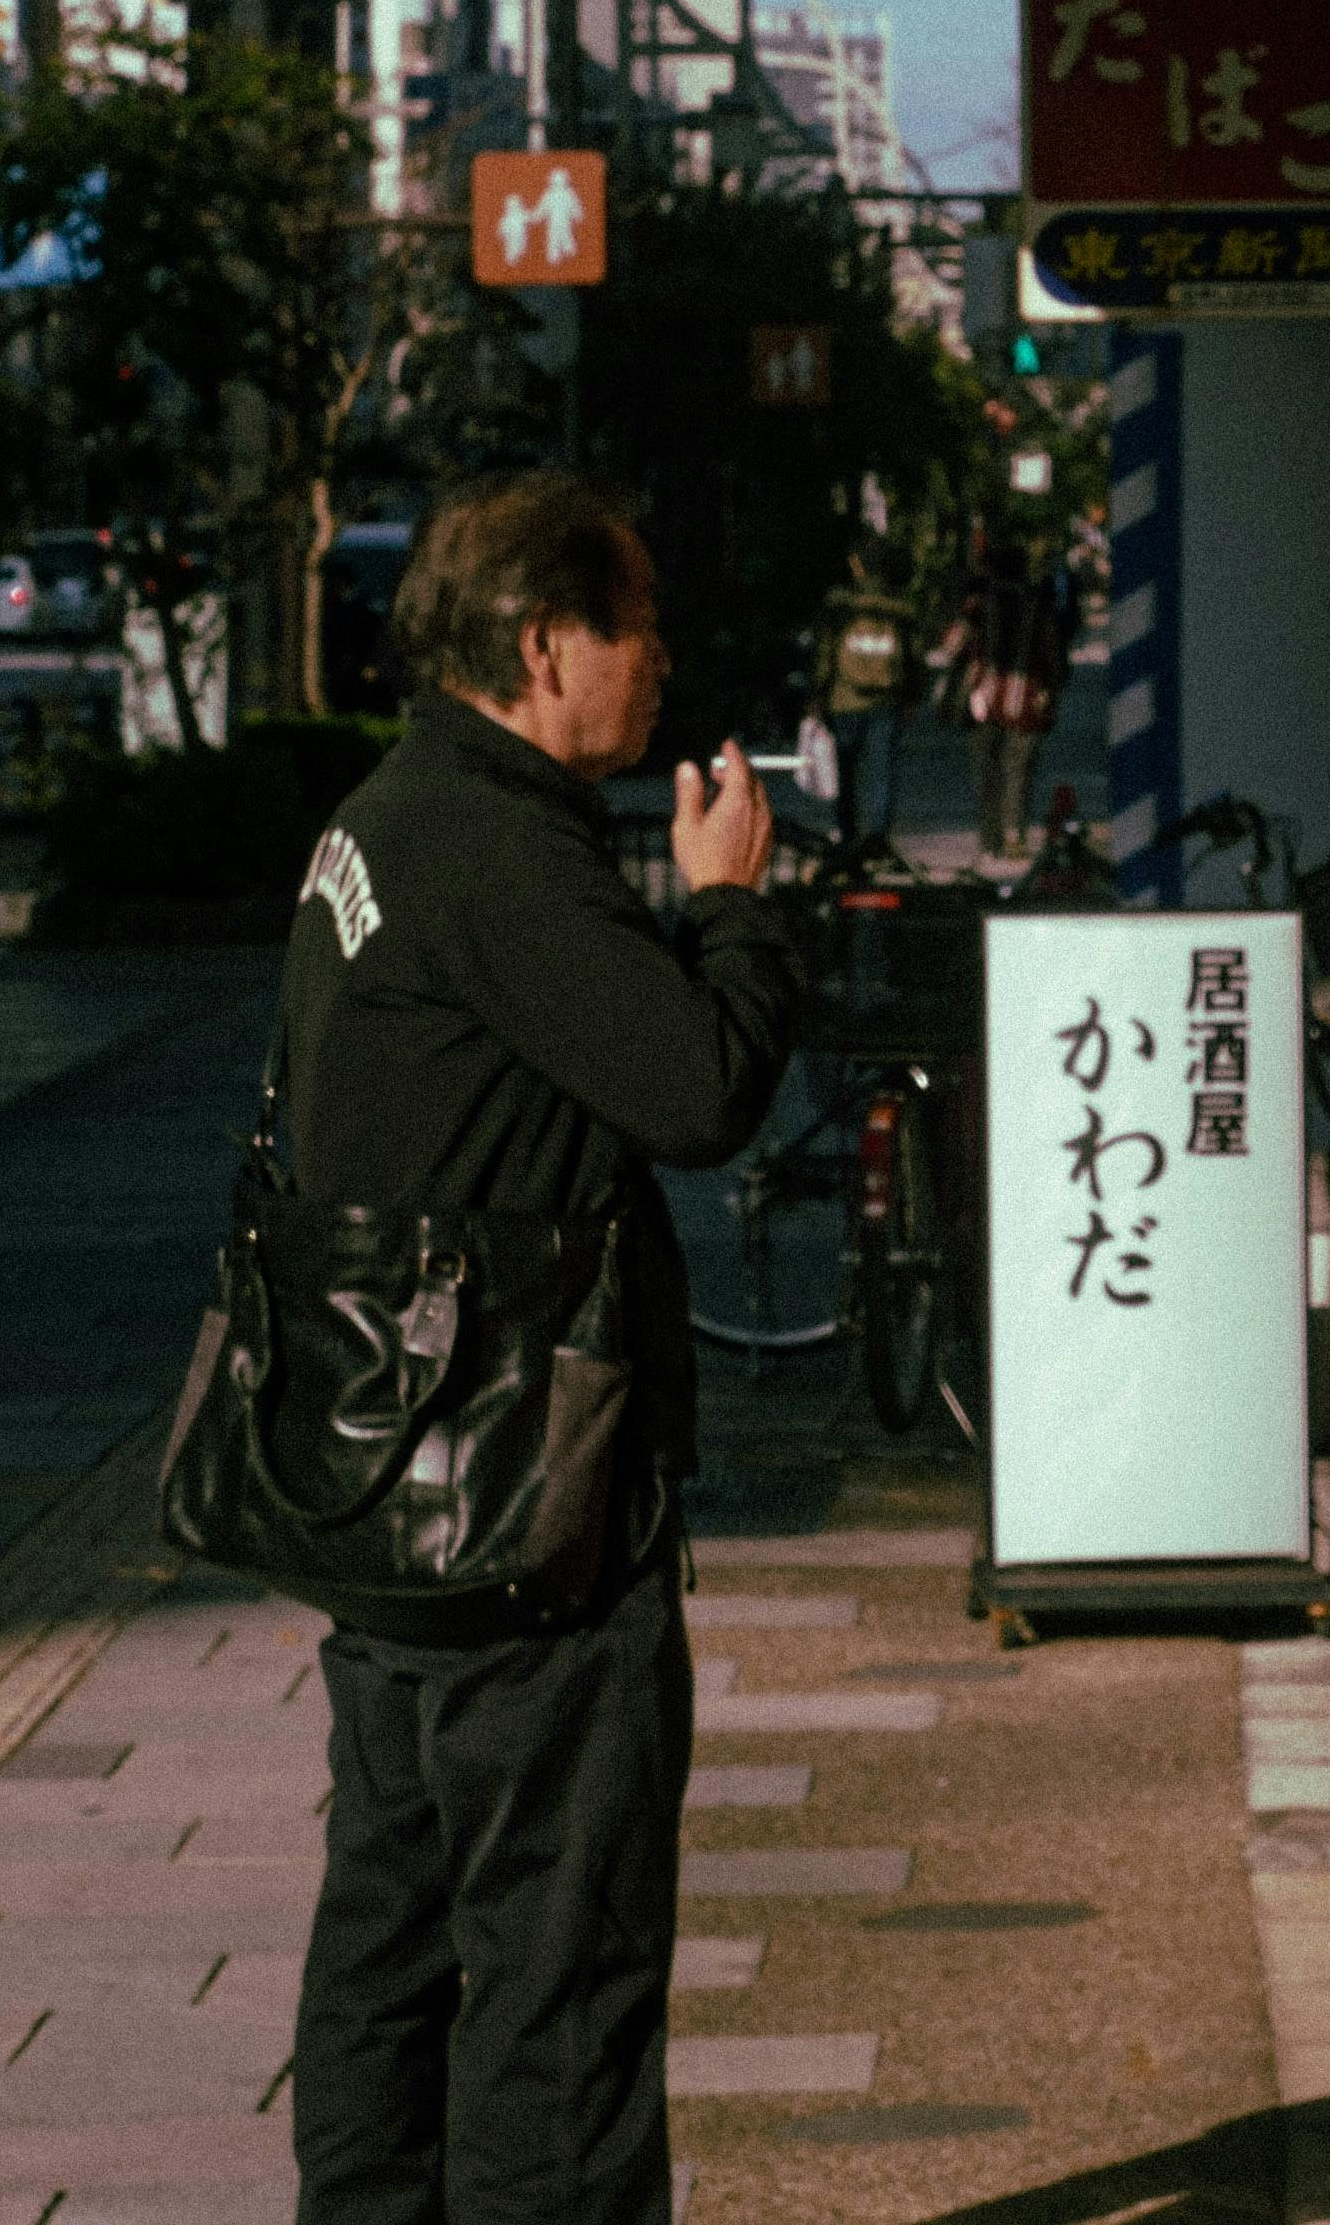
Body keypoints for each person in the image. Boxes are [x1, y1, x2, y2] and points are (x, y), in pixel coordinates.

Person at [273, 470, 800, 2225]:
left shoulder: (387, 812)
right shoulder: (499, 846)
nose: (658, 654)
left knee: (392, 1945)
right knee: (556, 1979)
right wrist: (726, 898)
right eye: (633, 619)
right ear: (541, 640)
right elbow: (696, 1084)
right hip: (522, 1503)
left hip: (384, 1481)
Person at [956, 530, 1071, 866]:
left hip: (983, 698)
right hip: (1027, 699)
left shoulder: (980, 602)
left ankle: (988, 839)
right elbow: (1053, 652)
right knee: (1018, 770)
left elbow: (955, 642)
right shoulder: (1038, 605)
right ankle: (1013, 835)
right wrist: (1056, 683)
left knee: (985, 771)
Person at [807, 539, 922, 845]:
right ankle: (876, 838)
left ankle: (847, 836)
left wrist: (817, 694)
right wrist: (912, 696)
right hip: (887, 698)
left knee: (845, 772)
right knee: (881, 770)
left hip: (844, 698)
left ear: (857, 564)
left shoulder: (840, 603)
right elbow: (913, 656)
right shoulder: (901, 606)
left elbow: (826, 653)